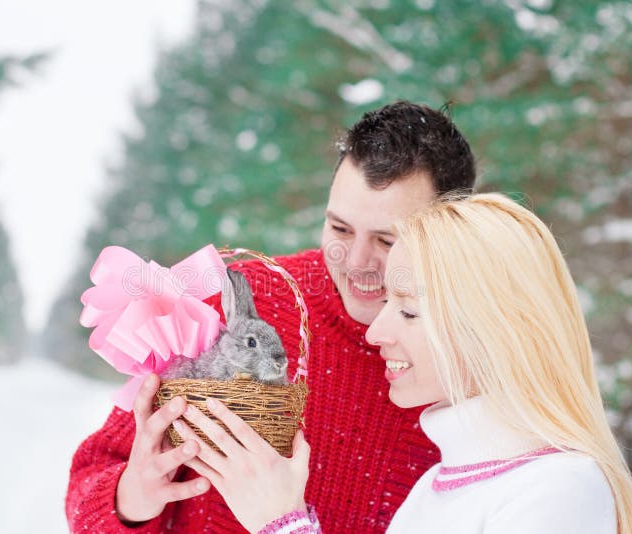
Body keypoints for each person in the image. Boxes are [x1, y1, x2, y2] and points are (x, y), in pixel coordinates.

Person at [65, 100, 477, 533]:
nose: (355, 261)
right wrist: (131, 499)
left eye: (387, 240)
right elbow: (90, 483)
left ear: (453, 234)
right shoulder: (244, 303)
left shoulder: (469, 368)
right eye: (339, 229)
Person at [178, 192, 632, 534]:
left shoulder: (559, 490)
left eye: (409, 310)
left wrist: (282, 523)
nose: (376, 332)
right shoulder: (440, 483)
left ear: (495, 326)